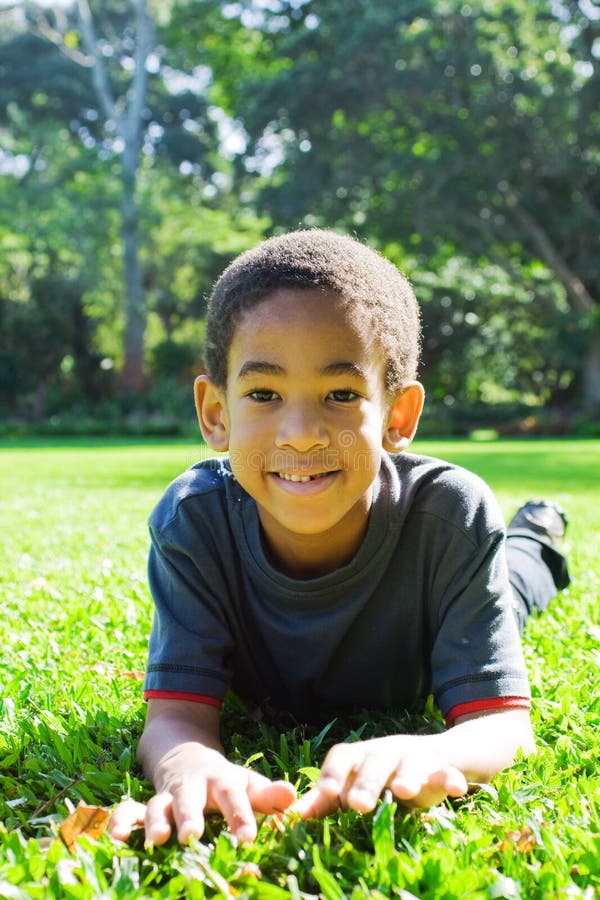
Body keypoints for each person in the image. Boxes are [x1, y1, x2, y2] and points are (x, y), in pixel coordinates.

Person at [108, 229, 570, 847]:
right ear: (216, 413)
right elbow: (174, 716)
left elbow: (501, 726)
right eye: (264, 394)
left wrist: (436, 754)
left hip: (439, 609)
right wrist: (189, 765)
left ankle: (535, 532)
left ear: (398, 416)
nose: (301, 434)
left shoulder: (449, 515)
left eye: (342, 394)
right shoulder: (194, 519)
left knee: (513, 590)